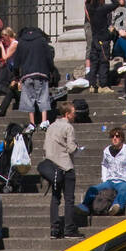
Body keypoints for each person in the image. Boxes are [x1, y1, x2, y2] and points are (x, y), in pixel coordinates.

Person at [76, 127, 126, 216]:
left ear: (122, 138)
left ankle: (117, 207)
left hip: (124, 180)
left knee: (123, 190)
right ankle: (85, 206)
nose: (114, 138)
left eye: (117, 136)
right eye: (112, 136)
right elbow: (104, 165)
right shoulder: (107, 150)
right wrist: (105, 178)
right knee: (92, 189)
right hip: (110, 180)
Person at [43, 101, 80, 239]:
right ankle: (69, 229)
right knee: (69, 199)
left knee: (55, 197)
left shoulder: (51, 126)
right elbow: (71, 148)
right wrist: (77, 147)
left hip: (53, 167)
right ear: (67, 114)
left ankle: (54, 229)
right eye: (73, 113)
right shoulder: (68, 127)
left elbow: (45, 147)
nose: (75, 115)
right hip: (66, 166)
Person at [12, 25, 55, 132]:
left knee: (28, 99)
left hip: (26, 74)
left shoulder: (21, 42)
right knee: (43, 97)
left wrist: (16, 75)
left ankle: (32, 123)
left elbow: (16, 60)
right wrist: (51, 70)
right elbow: (49, 57)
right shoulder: (41, 40)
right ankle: (44, 121)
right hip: (41, 72)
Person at [85, 0, 115, 93]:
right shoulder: (103, 9)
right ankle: (103, 85)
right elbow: (116, 3)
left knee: (94, 62)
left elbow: (86, 2)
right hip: (103, 39)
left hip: (95, 39)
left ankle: (92, 85)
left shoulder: (90, 9)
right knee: (104, 62)